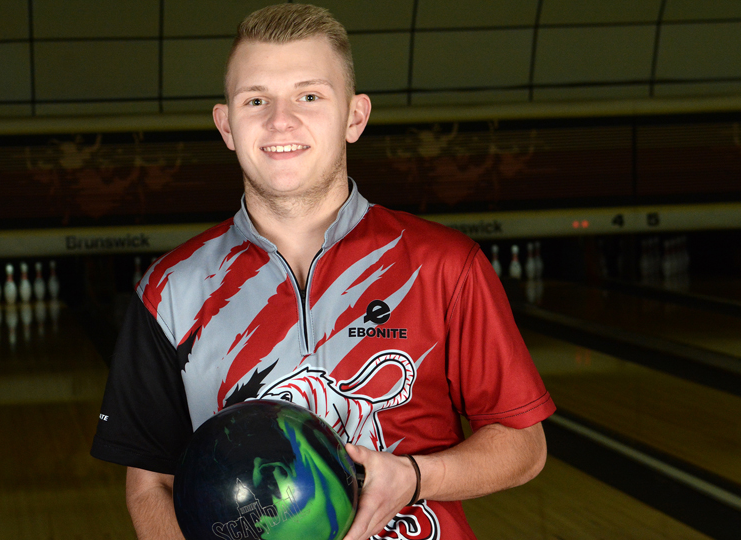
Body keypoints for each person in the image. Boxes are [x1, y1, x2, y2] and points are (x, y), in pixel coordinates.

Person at [91, 4, 555, 539]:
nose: (280, 121)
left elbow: (525, 444)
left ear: (354, 117)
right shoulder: (172, 291)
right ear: (226, 125)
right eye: (256, 100)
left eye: (309, 96)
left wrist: (417, 475)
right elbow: (149, 485)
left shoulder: (444, 266)